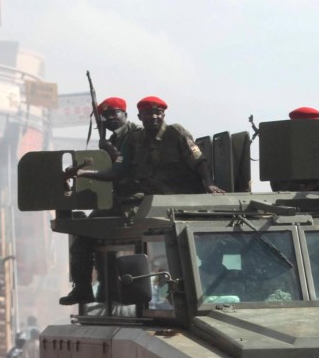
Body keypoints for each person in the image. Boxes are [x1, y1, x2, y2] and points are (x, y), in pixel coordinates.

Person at [63, 96, 225, 304]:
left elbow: (199, 161)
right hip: (149, 202)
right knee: (83, 233)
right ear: (141, 116)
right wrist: (83, 173)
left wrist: (209, 183)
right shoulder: (135, 140)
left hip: (176, 202)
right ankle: (84, 289)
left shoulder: (175, 133)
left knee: (193, 246)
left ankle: (202, 287)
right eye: (148, 114)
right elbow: (118, 170)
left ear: (163, 115)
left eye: (157, 113)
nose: (153, 117)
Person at [95, 96, 141, 162]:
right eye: (105, 115)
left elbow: (125, 162)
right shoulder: (114, 138)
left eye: (114, 113)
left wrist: (111, 151)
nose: (110, 117)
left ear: (125, 115)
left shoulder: (137, 133)